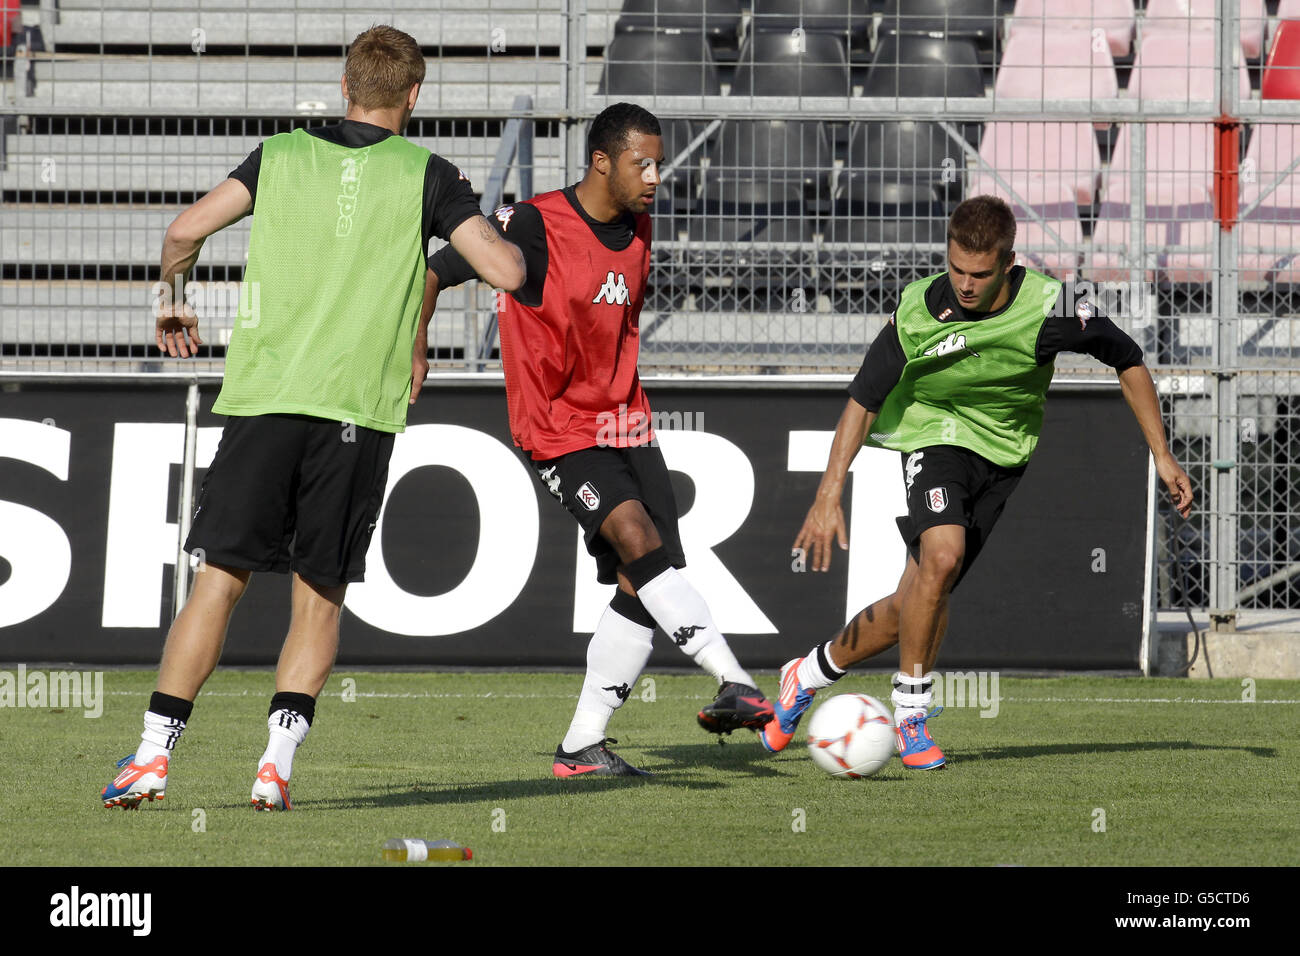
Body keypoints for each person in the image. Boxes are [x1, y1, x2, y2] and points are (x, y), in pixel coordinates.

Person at [101, 25, 526, 810]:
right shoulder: (428, 174)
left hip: (264, 399)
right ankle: (274, 766)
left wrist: (173, 301)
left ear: (344, 86)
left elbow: (184, 229)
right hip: (354, 414)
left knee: (218, 580)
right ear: (414, 94)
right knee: (319, 593)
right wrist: (481, 222)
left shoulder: (280, 153)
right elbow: (506, 269)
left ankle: (151, 757)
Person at [760, 195, 1195, 768]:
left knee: (912, 601)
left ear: (1009, 264)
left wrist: (1162, 455)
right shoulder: (919, 307)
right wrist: (827, 493)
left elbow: (1128, 357)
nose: (964, 284)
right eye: (956, 269)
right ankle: (910, 717)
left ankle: (806, 673)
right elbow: (864, 400)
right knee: (942, 556)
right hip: (933, 435)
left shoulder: (1052, 305)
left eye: (980, 274)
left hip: (1003, 458)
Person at [422, 102, 773, 777]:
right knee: (638, 540)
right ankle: (733, 680)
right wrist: (416, 343)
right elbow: (441, 267)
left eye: (660, 163)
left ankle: (582, 745)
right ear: (602, 161)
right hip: (557, 427)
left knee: (642, 577)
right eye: (642, 162)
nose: (655, 176)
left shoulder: (641, 227)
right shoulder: (532, 223)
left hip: (627, 422)